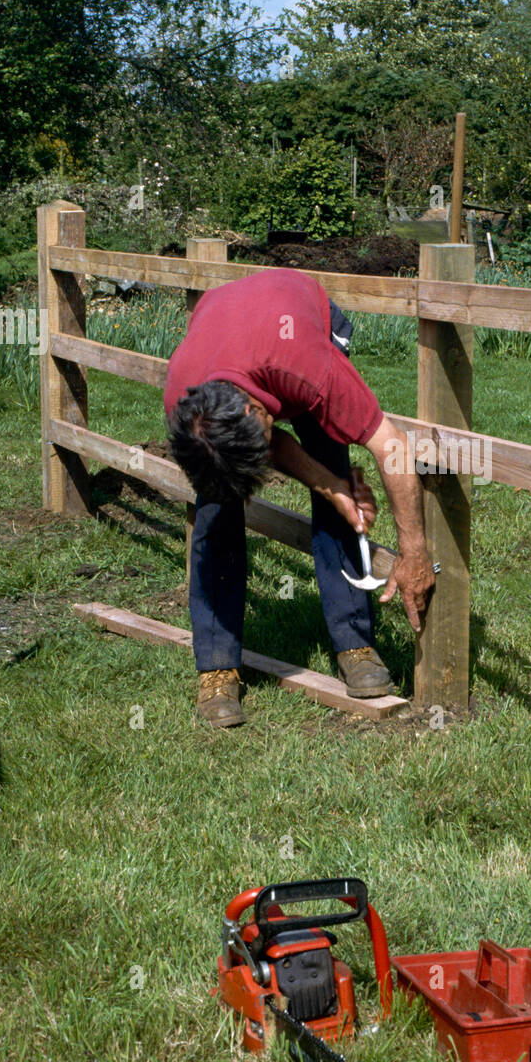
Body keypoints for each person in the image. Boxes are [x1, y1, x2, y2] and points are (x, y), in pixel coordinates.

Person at [164, 267, 435, 726]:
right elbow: (263, 443)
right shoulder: (185, 404)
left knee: (333, 461)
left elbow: (392, 447)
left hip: (298, 321)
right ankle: (217, 665)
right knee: (217, 507)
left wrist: (414, 551)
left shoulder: (308, 367)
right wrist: (328, 489)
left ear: (256, 410)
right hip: (225, 325)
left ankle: (355, 641)